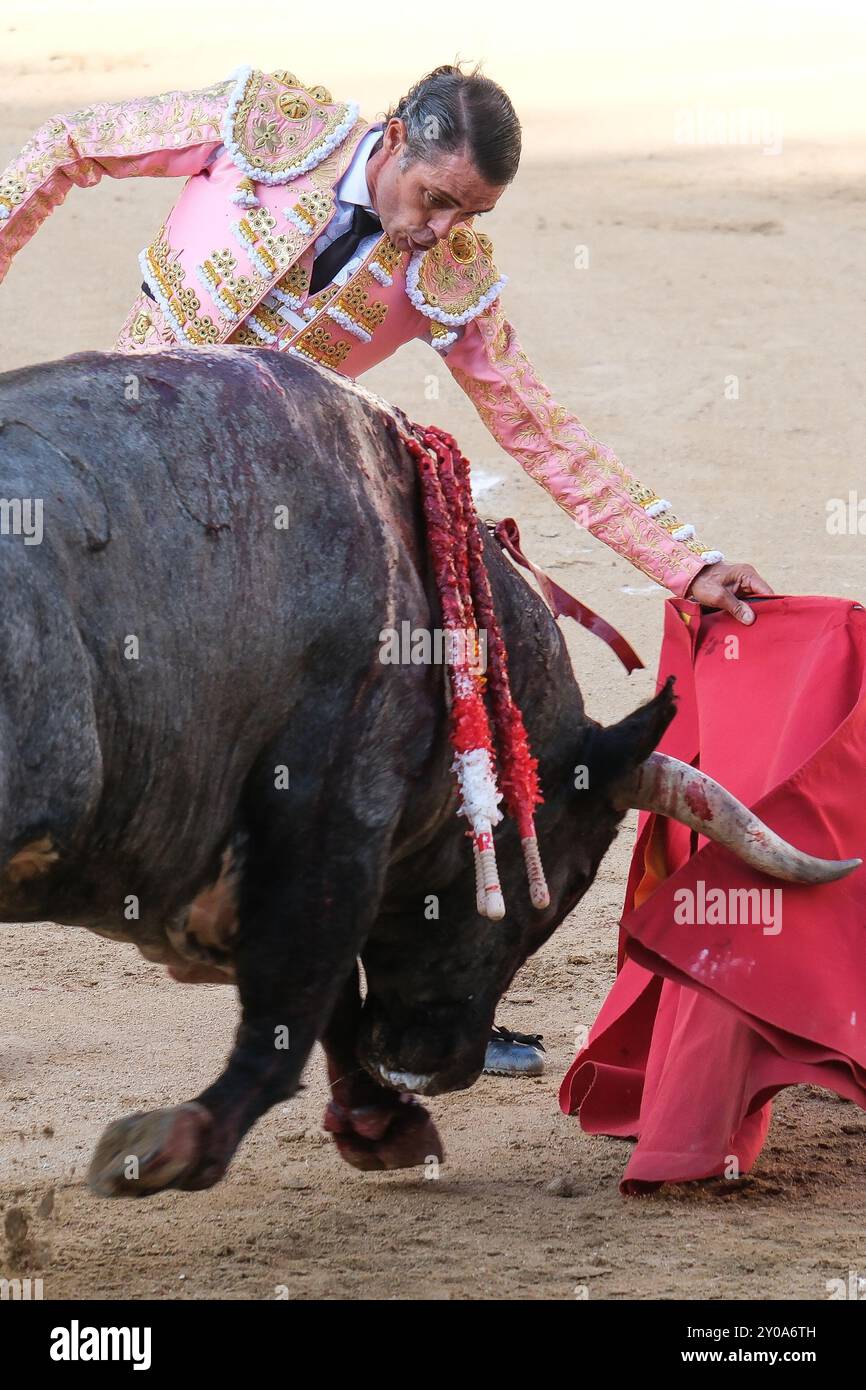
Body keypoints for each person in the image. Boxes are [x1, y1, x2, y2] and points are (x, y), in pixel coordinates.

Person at [0, 60, 773, 1075]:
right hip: (126, 450)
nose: (438, 228)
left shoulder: (445, 276)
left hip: (257, 514)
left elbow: (536, 428)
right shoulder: (264, 126)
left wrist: (685, 562)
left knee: (423, 655)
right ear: (396, 138)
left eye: (467, 213)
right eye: (435, 196)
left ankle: (434, 977)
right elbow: (67, 146)